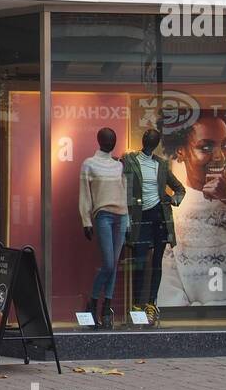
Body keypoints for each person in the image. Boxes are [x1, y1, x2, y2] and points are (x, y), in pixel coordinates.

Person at [157, 111, 226, 308]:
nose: (220, 156)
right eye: (206, 147)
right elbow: (170, 296)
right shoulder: (174, 211)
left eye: (225, 145)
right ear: (181, 151)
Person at [122, 128, 185, 326]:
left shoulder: (162, 164)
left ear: (156, 143)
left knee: (157, 262)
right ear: (143, 140)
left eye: (154, 140)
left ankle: (151, 303)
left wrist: (173, 199)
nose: (151, 141)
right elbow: (121, 183)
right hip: (140, 217)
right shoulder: (130, 160)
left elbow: (180, 188)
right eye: (148, 138)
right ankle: (137, 305)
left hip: (160, 215)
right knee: (140, 261)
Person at [78, 127, 128, 330]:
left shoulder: (118, 166)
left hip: (122, 215)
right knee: (108, 263)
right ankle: (92, 302)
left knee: (114, 263)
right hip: (103, 215)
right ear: (99, 140)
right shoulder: (89, 164)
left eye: (113, 139)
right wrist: (86, 220)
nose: (111, 142)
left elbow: (123, 192)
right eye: (108, 139)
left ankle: (106, 306)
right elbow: (84, 194)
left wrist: (130, 221)